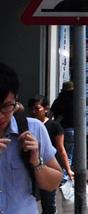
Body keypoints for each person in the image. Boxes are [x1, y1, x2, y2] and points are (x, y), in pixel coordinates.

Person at [0, 63, 63, 214]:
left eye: (6, 106)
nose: (0, 115)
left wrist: (36, 161)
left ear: (16, 98)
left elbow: (53, 183)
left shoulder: (34, 129)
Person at [27, 95, 70, 214]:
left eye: (37, 108)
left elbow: (61, 149)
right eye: (31, 109)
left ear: (46, 108)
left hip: (48, 167)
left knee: (48, 202)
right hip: (32, 168)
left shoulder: (54, 126)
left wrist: (68, 169)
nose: (33, 112)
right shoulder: (26, 126)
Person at [47, 81, 74, 167]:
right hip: (71, 129)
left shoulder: (57, 101)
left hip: (58, 129)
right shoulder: (75, 102)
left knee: (59, 153)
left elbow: (49, 115)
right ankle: (66, 172)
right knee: (68, 154)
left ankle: (60, 170)